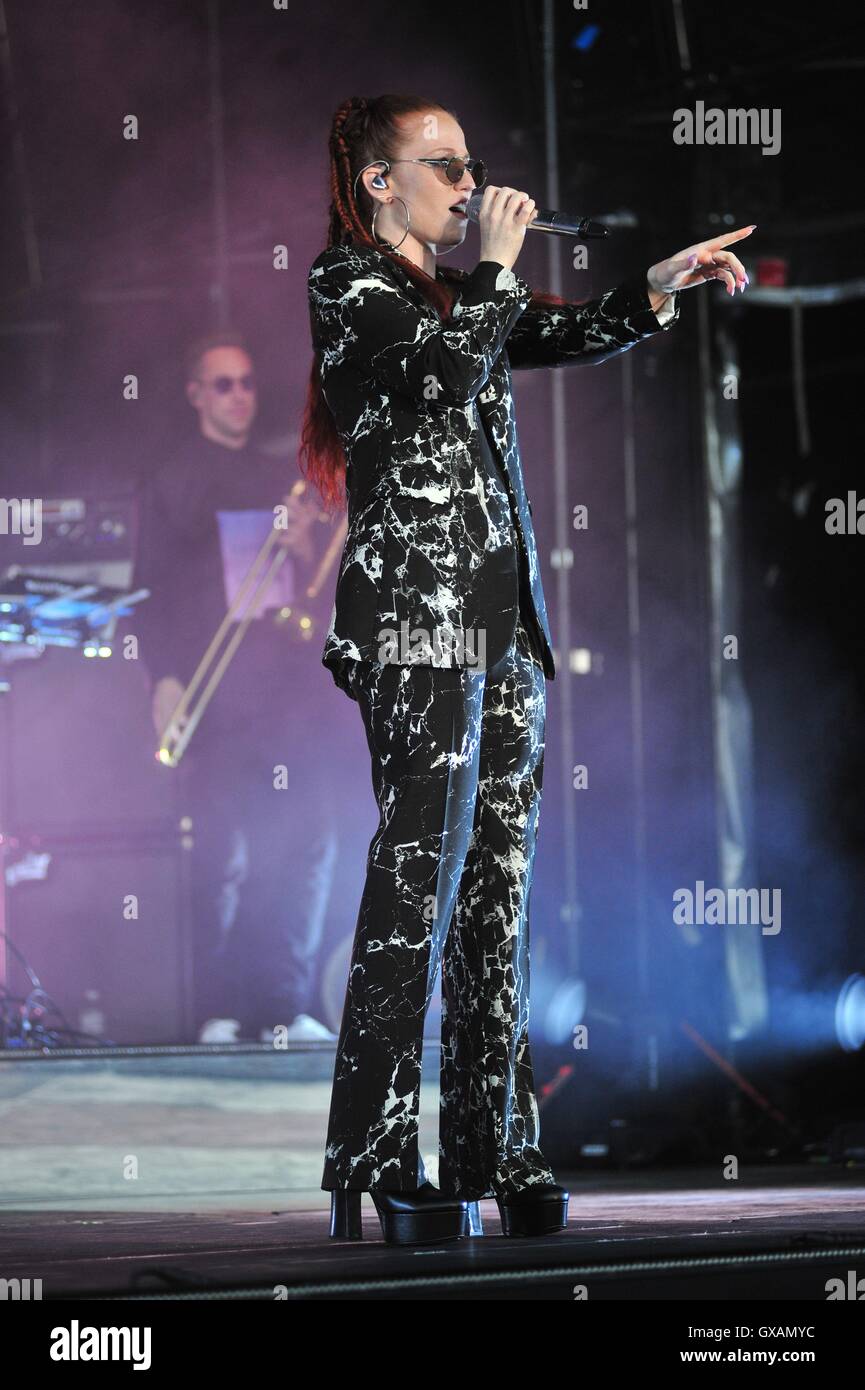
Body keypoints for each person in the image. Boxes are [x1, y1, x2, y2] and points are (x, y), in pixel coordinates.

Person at [300, 93, 753, 1245]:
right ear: (375, 181)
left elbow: (554, 332)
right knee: (418, 883)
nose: (468, 184)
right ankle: (378, 1145)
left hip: (506, 629)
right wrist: (499, 267)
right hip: (418, 625)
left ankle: (498, 1147)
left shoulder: (466, 299)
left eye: (473, 165)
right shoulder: (345, 290)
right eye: (443, 166)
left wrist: (655, 284)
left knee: (496, 895)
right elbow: (449, 374)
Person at [135, 329, 342, 1045]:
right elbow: (149, 596)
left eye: (248, 382)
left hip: (287, 693)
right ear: (196, 394)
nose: (239, 395)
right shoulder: (171, 480)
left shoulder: (277, 476)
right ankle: (219, 1009)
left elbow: (311, 595)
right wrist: (163, 682)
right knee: (225, 849)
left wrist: (307, 543)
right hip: (216, 694)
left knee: (306, 840)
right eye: (223, 384)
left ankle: (282, 1004)